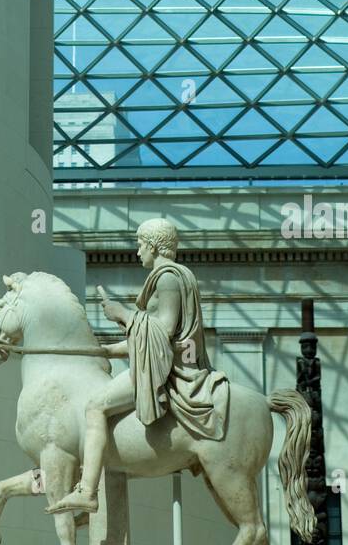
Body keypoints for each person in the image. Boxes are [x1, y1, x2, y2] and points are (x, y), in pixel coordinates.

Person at [47, 217, 229, 516]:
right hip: (161, 361)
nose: (137, 252)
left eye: (140, 245)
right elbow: (145, 340)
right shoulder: (173, 277)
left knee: (95, 406)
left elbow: (165, 330)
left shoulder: (168, 278)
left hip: (169, 371)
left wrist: (123, 314)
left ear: (154, 246)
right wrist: (104, 349)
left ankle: (87, 491)